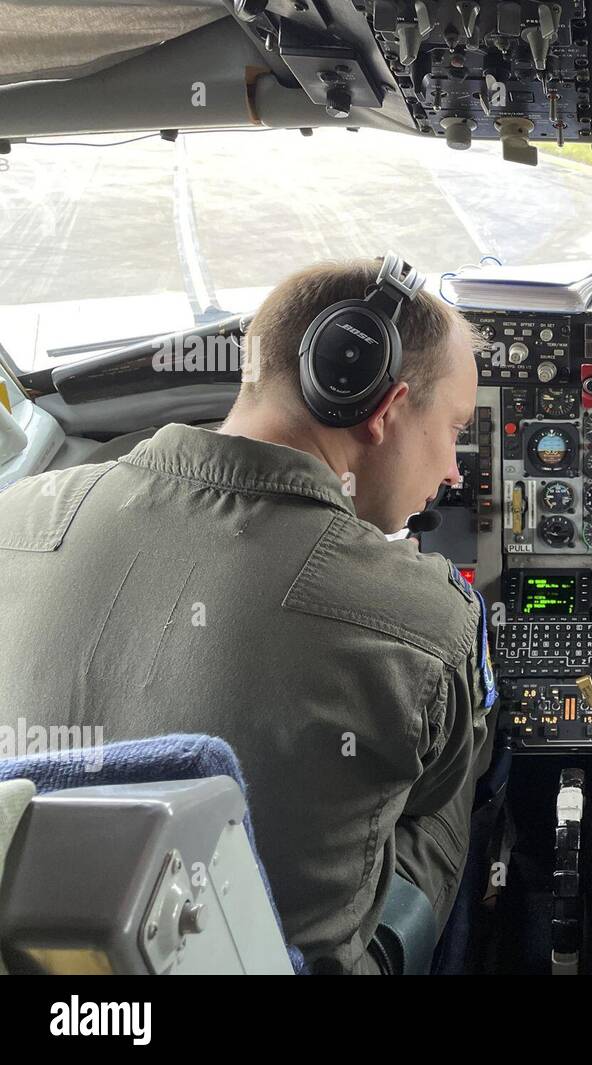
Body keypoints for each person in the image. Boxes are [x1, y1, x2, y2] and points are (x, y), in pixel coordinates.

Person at [0, 259, 493, 973]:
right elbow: (435, 786)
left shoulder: (15, 514)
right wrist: (427, 604)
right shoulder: (424, 618)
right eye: (452, 430)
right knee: (464, 748)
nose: (453, 471)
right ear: (384, 413)